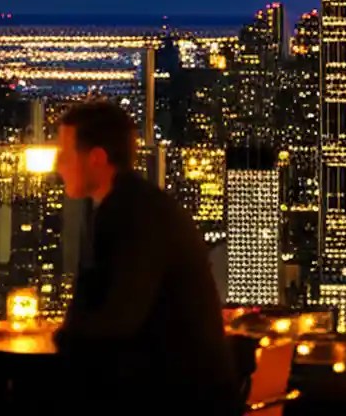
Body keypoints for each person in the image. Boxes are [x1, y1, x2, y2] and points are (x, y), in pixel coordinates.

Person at [52, 100, 239, 413]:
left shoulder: (130, 214)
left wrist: (65, 339)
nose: (58, 165)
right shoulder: (136, 204)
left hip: (174, 396)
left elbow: (118, 317)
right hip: (186, 387)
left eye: (65, 154)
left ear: (96, 158)